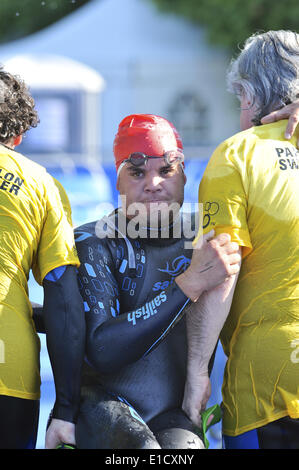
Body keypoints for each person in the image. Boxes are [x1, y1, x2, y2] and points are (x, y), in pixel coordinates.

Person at [68, 113, 241, 449]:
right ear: (117, 183)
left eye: (166, 170)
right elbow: (102, 349)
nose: (153, 183)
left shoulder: (204, 239)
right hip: (103, 406)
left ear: (184, 177)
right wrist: (187, 285)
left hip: (172, 413)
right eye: (136, 173)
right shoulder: (96, 241)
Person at [182, 30, 299, 449]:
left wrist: (196, 371)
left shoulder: (237, 155)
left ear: (249, 98)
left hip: (271, 382)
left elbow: (220, 271)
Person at [0, 66, 85, 449]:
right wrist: (66, 409)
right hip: (9, 366)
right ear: (17, 136)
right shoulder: (41, 183)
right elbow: (64, 302)